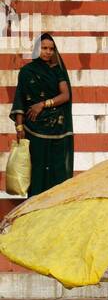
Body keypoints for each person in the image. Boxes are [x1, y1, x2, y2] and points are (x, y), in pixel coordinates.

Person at [10, 34, 73, 197]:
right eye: (44, 48)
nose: (48, 52)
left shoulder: (57, 71)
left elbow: (65, 95)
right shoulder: (27, 71)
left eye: (51, 49)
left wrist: (43, 104)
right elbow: (20, 99)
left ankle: (55, 209)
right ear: (38, 49)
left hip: (57, 130)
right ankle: (34, 209)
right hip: (33, 128)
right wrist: (19, 126)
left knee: (57, 171)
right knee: (37, 170)